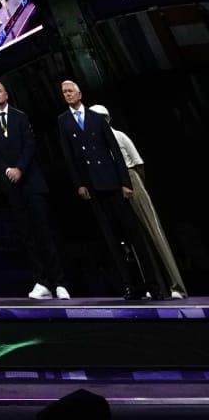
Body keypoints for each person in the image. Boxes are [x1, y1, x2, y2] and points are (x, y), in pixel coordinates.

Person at [56, 78, 153, 300]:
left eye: (70, 91)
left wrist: (125, 183)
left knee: (133, 234)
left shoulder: (96, 119)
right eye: (64, 92)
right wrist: (79, 183)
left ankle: (152, 283)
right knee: (111, 239)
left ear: (79, 94)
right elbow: (69, 156)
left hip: (113, 183)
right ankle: (129, 285)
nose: (67, 94)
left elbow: (115, 153)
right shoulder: (63, 121)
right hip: (93, 186)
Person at [0, 77, 69, 299]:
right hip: (12, 184)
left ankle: (59, 282)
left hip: (30, 181)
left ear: (7, 93)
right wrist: (6, 170)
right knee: (27, 234)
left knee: (44, 232)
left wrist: (19, 168)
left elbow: (30, 144)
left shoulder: (20, 117)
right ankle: (42, 282)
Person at [88, 105, 186, 298]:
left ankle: (177, 287)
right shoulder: (96, 144)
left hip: (132, 180)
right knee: (133, 239)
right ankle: (150, 285)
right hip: (114, 185)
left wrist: (135, 186)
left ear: (106, 119)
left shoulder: (120, 136)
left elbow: (137, 164)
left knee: (153, 232)